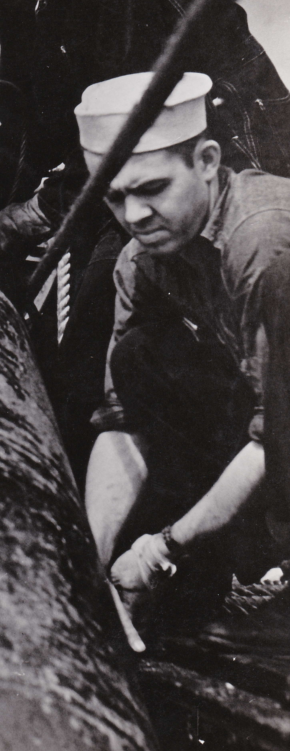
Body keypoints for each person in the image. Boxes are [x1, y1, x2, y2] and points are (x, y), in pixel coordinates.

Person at [0, 0, 290, 479]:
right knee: (94, 349)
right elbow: (29, 117)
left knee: (108, 340)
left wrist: (31, 214)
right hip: (138, 174)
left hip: (221, 161)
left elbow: (133, 139)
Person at [78, 72, 290, 652]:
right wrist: (88, 566)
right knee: (141, 358)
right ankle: (201, 585)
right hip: (276, 418)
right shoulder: (142, 262)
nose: (135, 214)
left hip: (284, 427)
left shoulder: (262, 241)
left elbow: (277, 434)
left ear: (206, 159)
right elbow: (122, 420)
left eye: (151, 188)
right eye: (115, 196)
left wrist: (159, 549)